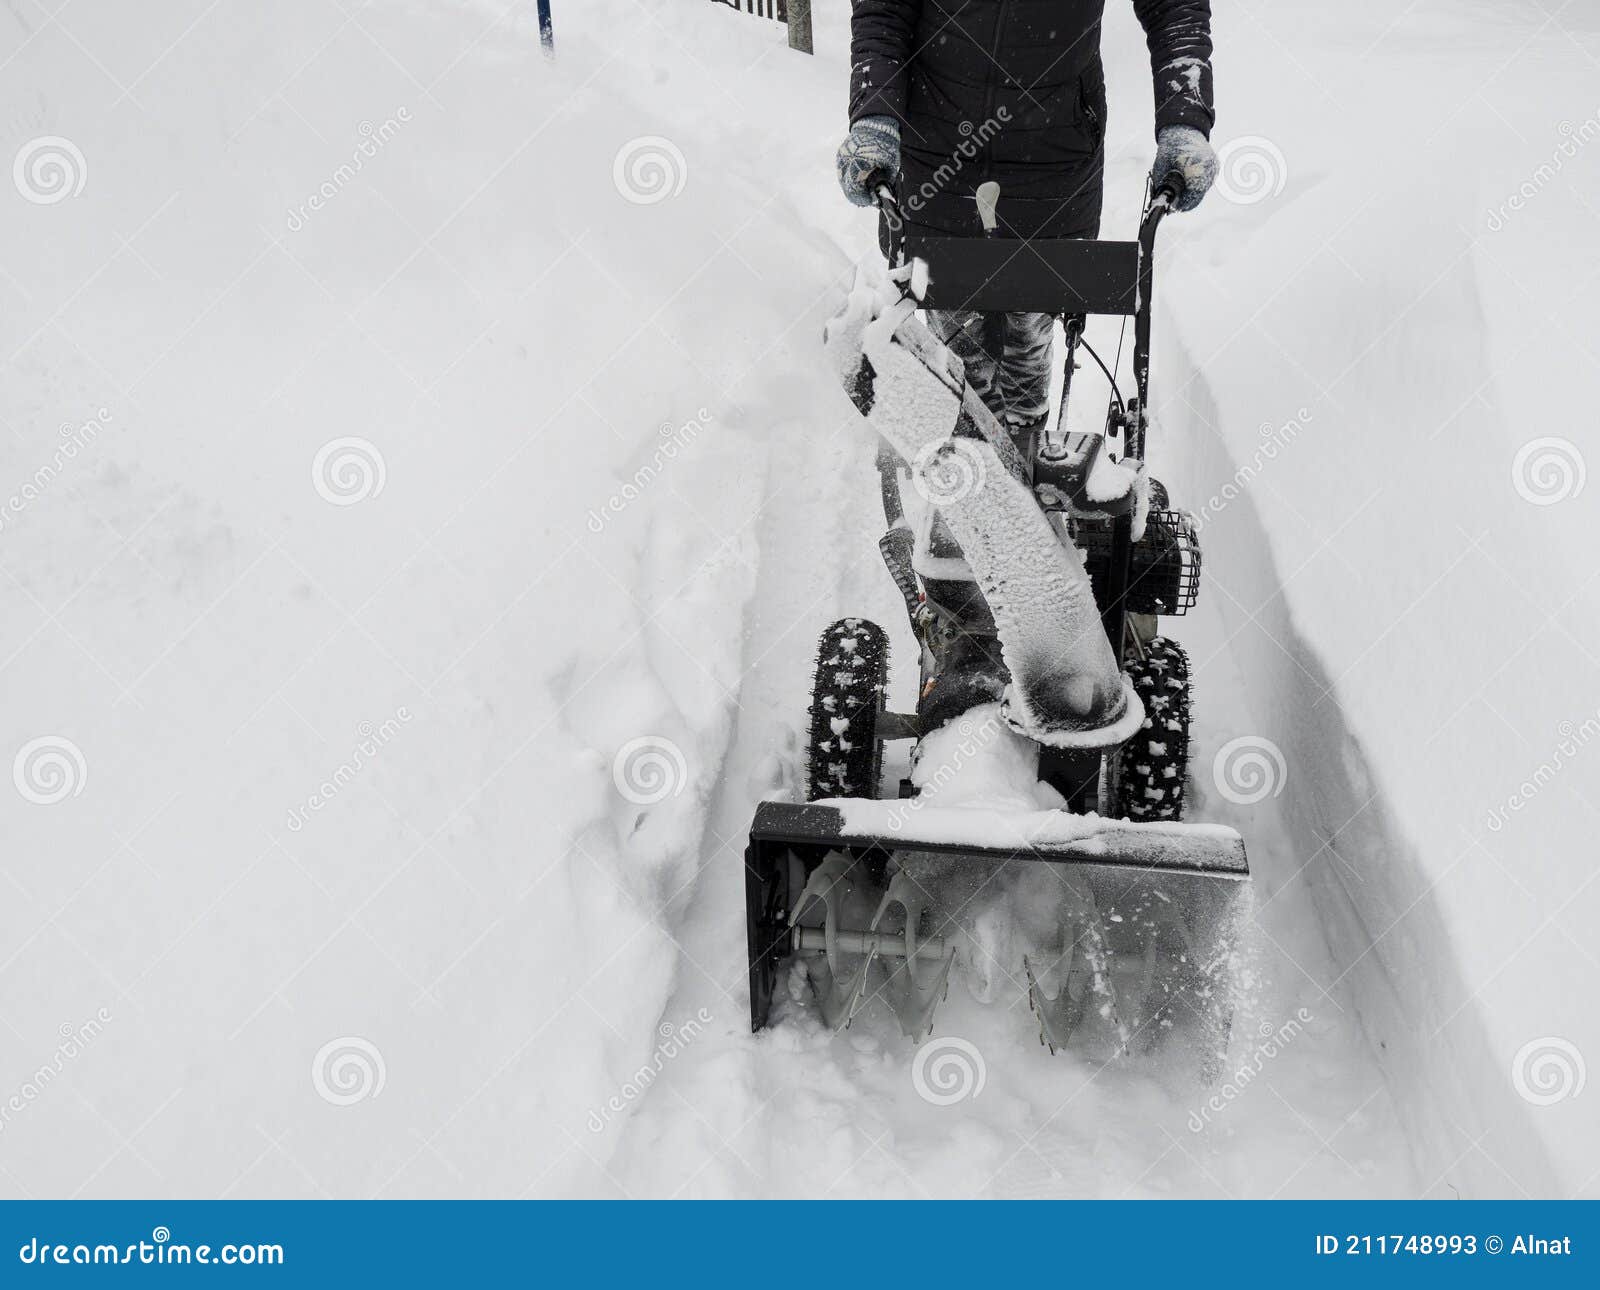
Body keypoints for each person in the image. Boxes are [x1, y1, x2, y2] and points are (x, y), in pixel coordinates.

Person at [837, 0, 1218, 448]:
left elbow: (1174, 8)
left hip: (1054, 153)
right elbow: (884, 12)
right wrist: (875, 120)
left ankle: (1024, 449)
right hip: (939, 153)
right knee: (961, 344)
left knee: (1027, 338)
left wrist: (1184, 123)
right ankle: (974, 468)